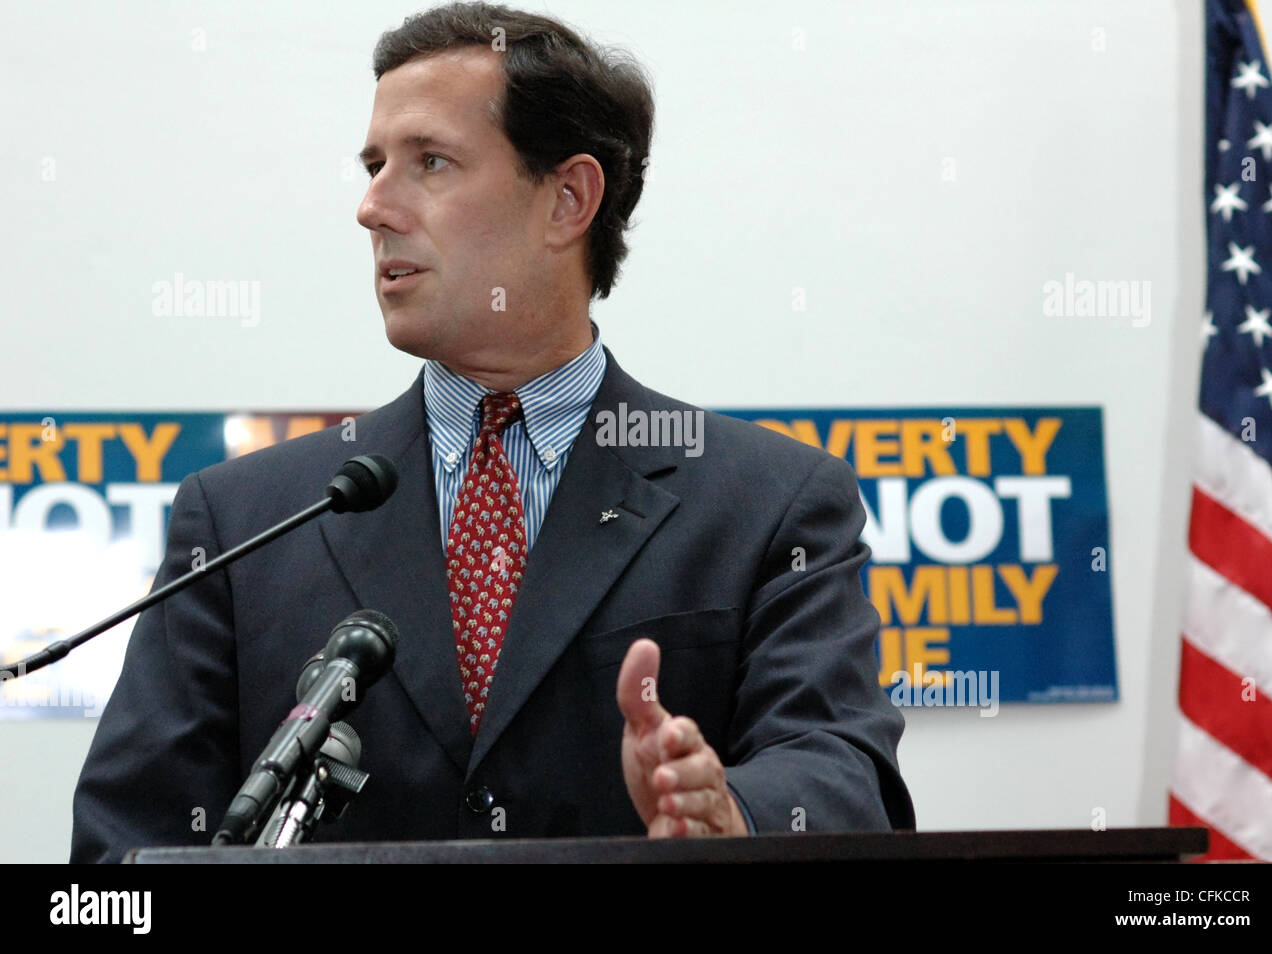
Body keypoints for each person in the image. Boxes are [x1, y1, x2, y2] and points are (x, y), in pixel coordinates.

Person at [71, 2, 913, 863]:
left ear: (569, 200)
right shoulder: (242, 517)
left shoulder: (770, 504)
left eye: (429, 162)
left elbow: (844, 772)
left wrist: (728, 812)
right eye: (373, 165)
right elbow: (121, 849)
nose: (373, 207)